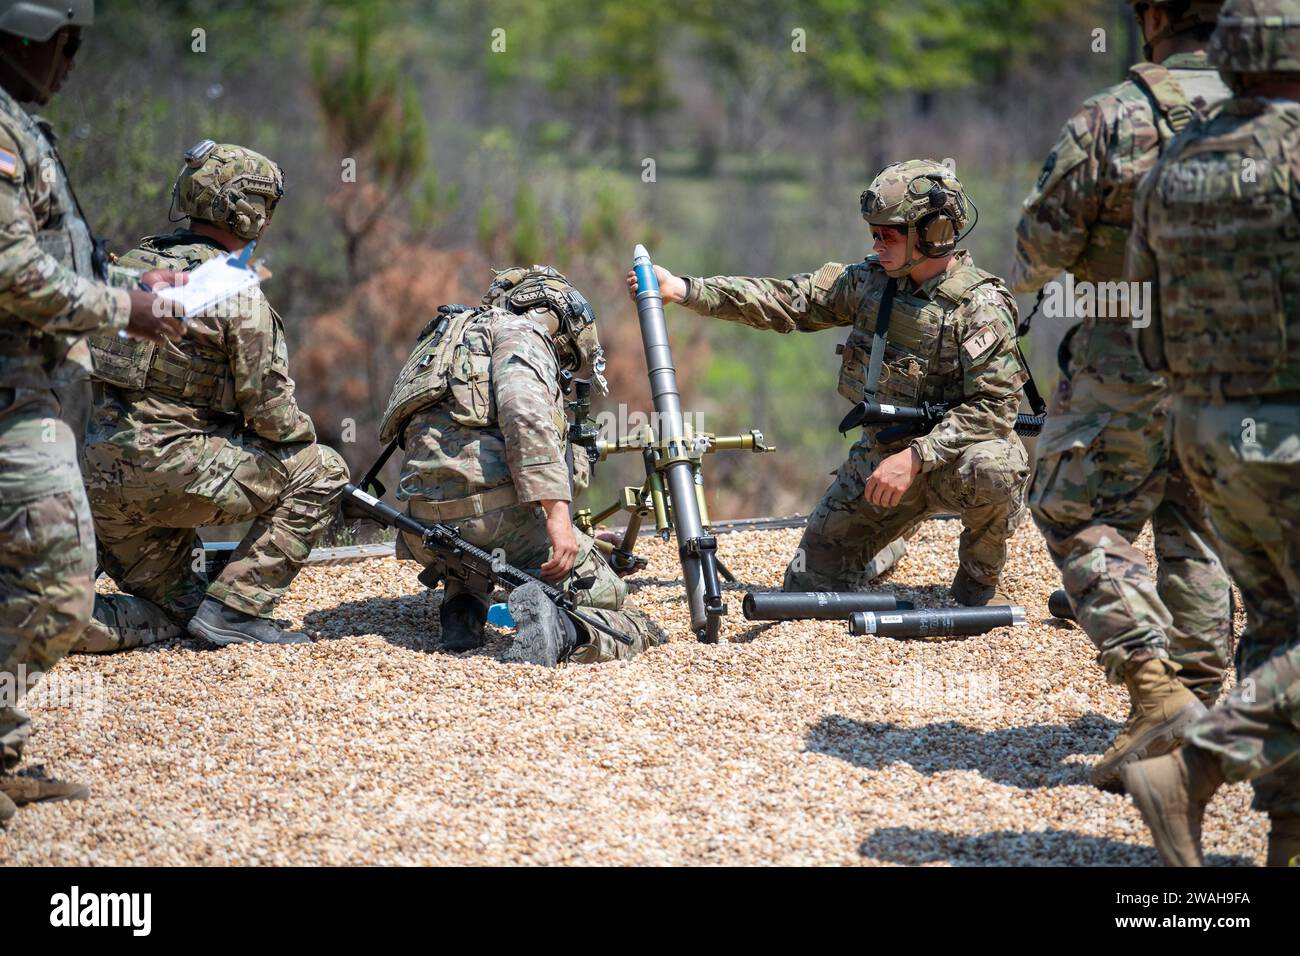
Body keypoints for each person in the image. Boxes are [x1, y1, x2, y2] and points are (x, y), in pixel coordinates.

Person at [627, 160, 1031, 606]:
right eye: (873, 233)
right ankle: (889, 536)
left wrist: (917, 457)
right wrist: (684, 289)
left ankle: (978, 578)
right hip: (881, 461)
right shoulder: (871, 283)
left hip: (953, 461)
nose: (877, 244)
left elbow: (995, 407)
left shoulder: (981, 306)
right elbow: (788, 300)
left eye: (889, 234)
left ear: (933, 234)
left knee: (995, 467)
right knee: (807, 586)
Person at [1012, 0, 1233, 793]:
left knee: (1069, 508)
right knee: (1194, 516)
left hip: (1125, 350)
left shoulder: (1115, 116)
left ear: (1156, 16)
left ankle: (1153, 688)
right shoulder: (1278, 110)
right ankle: (1203, 707)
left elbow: (1041, 246)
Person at [1120, 0, 1300, 868]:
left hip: (1203, 428)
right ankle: (1194, 766)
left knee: (1276, 623)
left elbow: (1145, 329)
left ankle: (1289, 835)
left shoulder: (1172, 163)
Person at [0, 0, 186, 821]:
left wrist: (134, 288)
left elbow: (57, 256)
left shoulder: (21, 127)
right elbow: (15, 277)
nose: (71, 62)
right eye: (63, 43)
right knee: (59, 585)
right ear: (20, 35)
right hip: (16, 390)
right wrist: (128, 313)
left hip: (41, 386)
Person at [75, 140, 349, 651]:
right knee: (324, 469)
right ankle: (237, 613)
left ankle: (56, 621)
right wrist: (303, 447)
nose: (267, 220)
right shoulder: (230, 287)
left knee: (181, 611)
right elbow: (272, 413)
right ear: (244, 211)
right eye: (265, 206)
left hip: (102, 487)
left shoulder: (127, 266)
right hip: (171, 476)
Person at [382, 265, 664, 665]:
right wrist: (558, 519)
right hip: (491, 524)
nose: (561, 361)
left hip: (422, 526)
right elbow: (524, 415)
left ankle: (462, 611)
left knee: (482, 546)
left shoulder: (450, 338)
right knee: (626, 614)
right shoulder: (523, 335)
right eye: (564, 352)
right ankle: (564, 632)